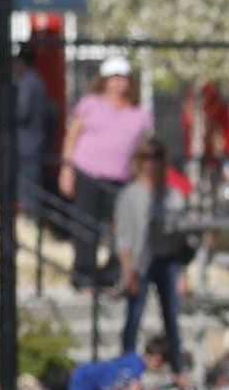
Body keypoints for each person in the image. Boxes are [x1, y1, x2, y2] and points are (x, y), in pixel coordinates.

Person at [59, 56, 152, 287]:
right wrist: (67, 170)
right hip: (87, 174)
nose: (118, 83)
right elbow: (72, 136)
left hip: (119, 178)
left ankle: (110, 276)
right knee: (84, 226)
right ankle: (84, 277)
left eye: (122, 78)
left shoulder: (139, 113)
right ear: (105, 81)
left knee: (121, 229)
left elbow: (143, 149)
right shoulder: (91, 104)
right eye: (113, 78)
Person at [114, 137, 191, 364]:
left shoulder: (173, 195)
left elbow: (182, 235)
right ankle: (127, 368)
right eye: (147, 157)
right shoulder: (130, 195)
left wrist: (183, 273)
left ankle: (178, 369)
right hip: (140, 263)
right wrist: (128, 269)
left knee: (171, 318)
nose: (152, 163)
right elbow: (123, 237)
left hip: (167, 261)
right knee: (134, 318)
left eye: (157, 157)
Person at [63, 336, 175, 390]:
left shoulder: (133, 361)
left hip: (88, 380)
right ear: (157, 358)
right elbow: (134, 388)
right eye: (160, 363)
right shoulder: (136, 363)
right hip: (84, 378)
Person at [8, 43, 56, 210]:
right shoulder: (35, 80)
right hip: (35, 143)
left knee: (29, 192)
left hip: (28, 146)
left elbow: (23, 112)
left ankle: (30, 225)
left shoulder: (28, 82)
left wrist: (7, 112)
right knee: (30, 189)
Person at [181, 77, 229, 206]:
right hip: (201, 160)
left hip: (218, 161)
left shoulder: (220, 110)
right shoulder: (196, 109)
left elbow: (226, 140)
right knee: (199, 194)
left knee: (220, 196)